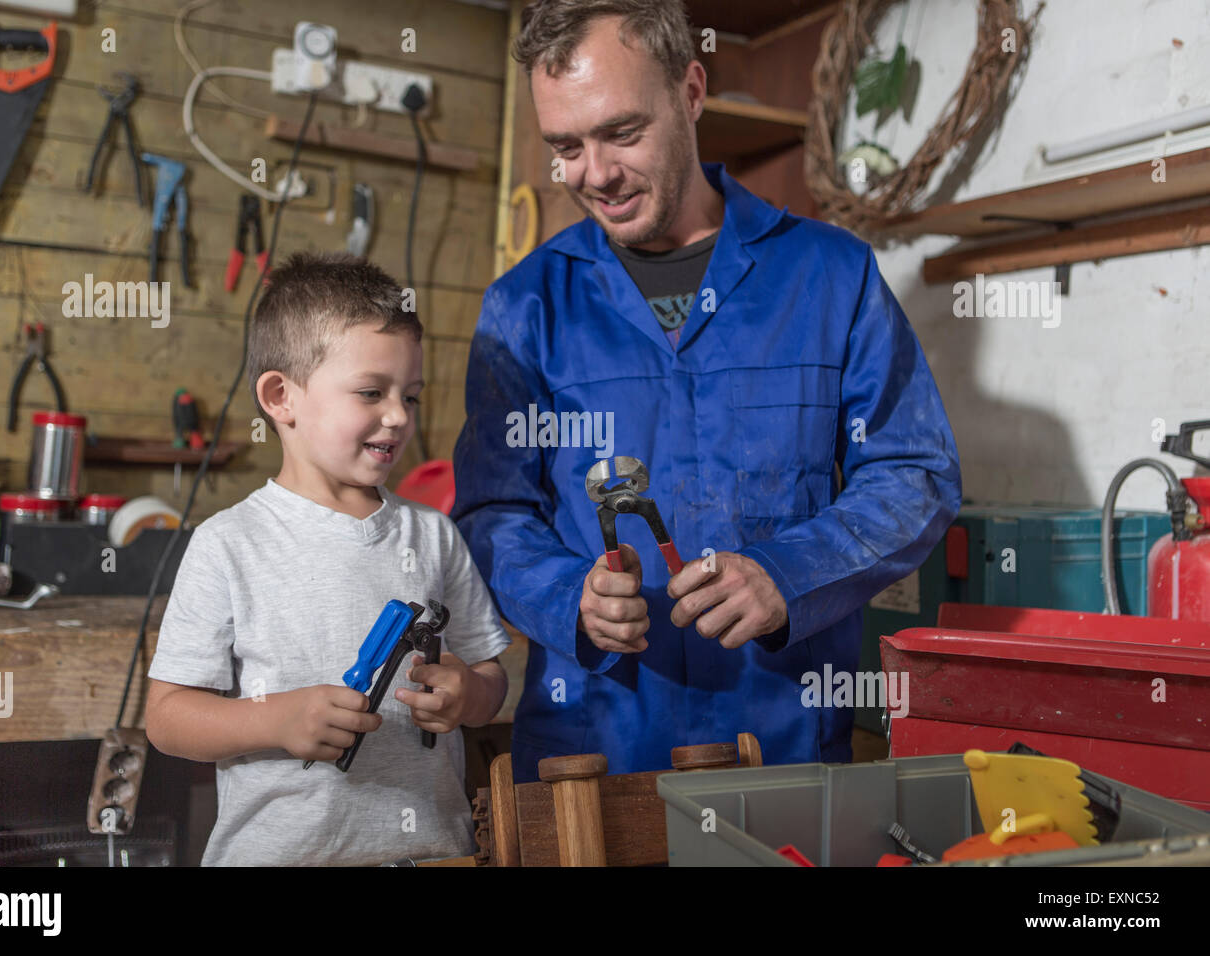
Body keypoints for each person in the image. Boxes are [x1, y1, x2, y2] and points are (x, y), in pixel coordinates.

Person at [452, 0, 962, 783]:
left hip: (781, 752)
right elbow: (494, 511)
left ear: (691, 93)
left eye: (623, 132)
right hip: (589, 761)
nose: (596, 174)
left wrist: (788, 573)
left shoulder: (831, 277)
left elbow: (913, 475)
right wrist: (568, 598)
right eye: (566, 147)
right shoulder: (526, 306)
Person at [146, 253, 511, 865]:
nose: (397, 416)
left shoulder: (435, 535)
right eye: (371, 392)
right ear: (281, 396)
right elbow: (167, 718)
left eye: (410, 397)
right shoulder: (228, 544)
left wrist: (466, 694)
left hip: (431, 855)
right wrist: (274, 720)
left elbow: (491, 677)